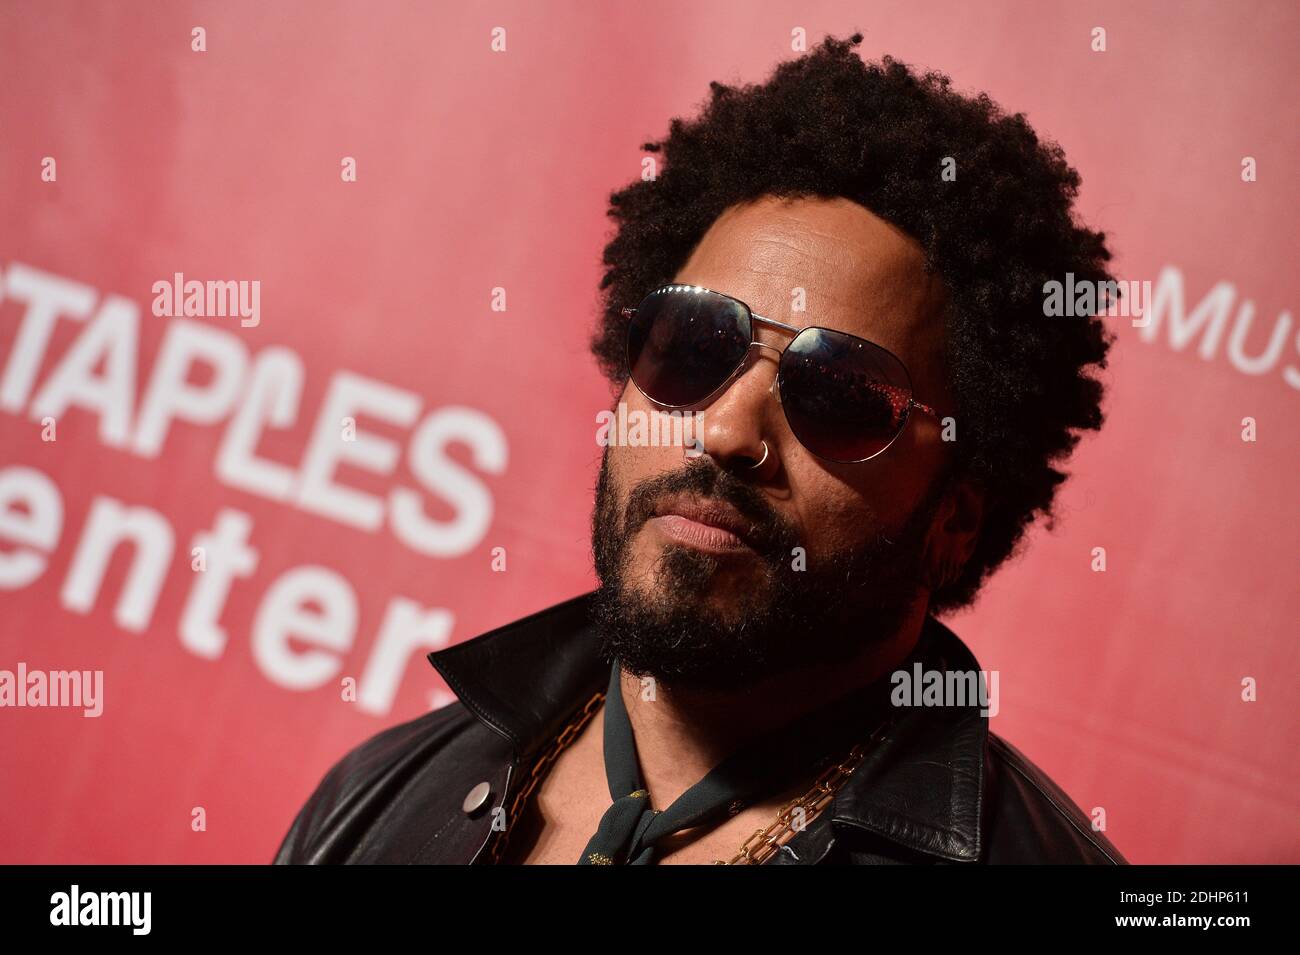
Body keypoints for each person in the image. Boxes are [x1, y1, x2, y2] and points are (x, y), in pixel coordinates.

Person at [273, 33, 1126, 865]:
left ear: (956, 518)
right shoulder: (380, 794)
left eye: (837, 394)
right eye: (692, 346)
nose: (723, 432)